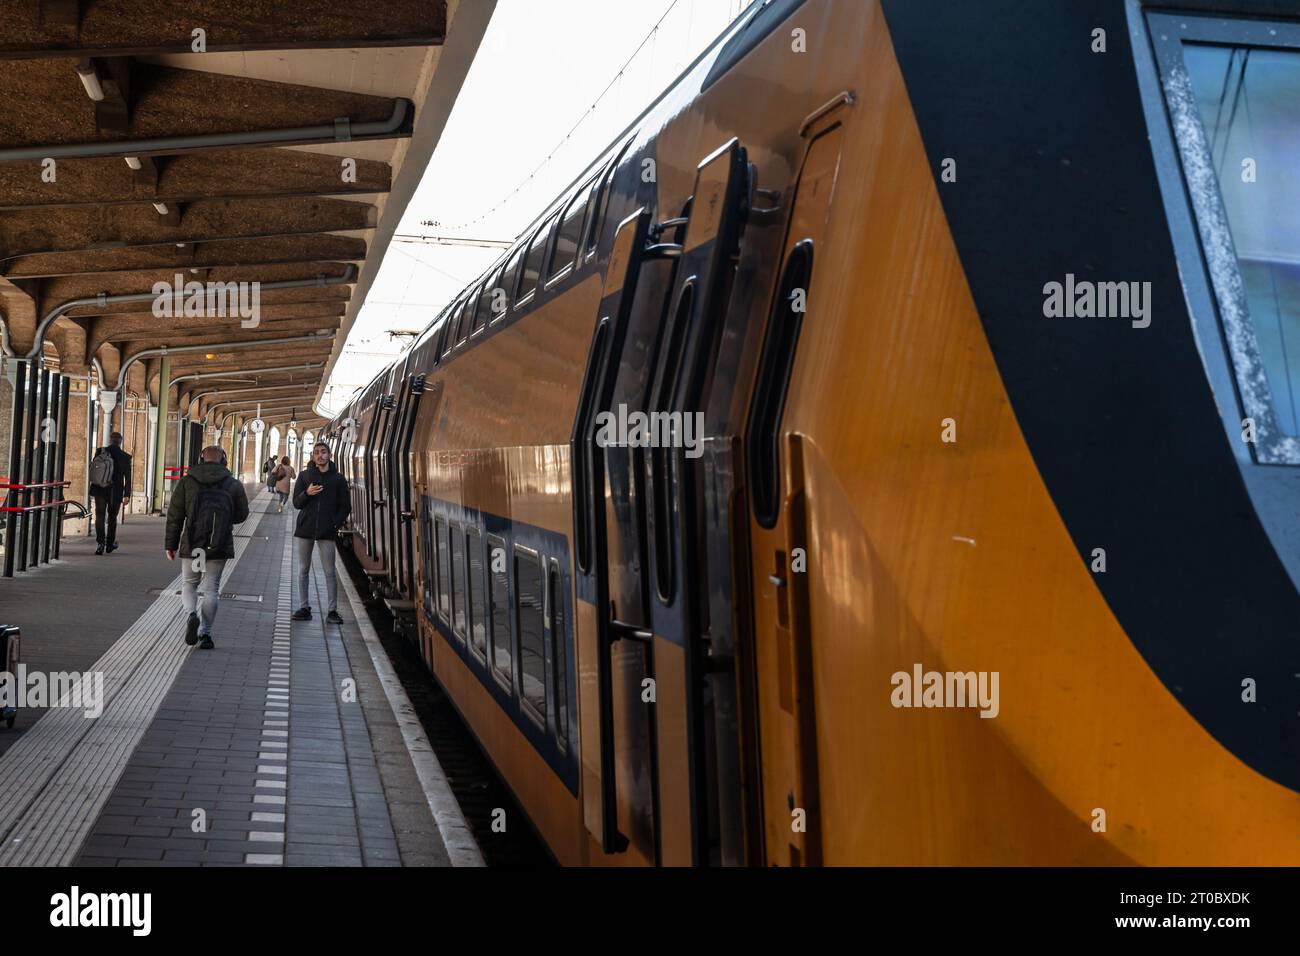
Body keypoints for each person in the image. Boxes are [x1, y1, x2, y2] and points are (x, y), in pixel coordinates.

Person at [165, 445, 250, 650]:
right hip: (218, 543)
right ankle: (206, 633)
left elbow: (175, 516)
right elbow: (242, 515)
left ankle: (191, 613)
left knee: (189, 584)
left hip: (194, 541)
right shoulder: (233, 484)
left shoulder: (187, 481)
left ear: (201, 459)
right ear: (224, 460)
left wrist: (171, 545)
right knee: (212, 589)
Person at [292, 441, 350, 624]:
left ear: (330, 455)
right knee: (303, 569)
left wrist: (334, 524)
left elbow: (345, 506)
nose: (320, 455)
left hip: (327, 532)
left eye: (323, 452)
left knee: (330, 571)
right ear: (313, 456)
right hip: (305, 529)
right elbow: (296, 503)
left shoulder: (338, 479)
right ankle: (304, 607)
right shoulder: (304, 476)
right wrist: (307, 493)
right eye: (316, 452)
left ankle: (332, 611)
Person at [89, 432, 132, 555]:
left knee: (100, 516)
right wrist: (127, 494)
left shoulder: (100, 451)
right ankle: (109, 544)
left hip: (100, 489)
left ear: (110, 440)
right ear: (120, 441)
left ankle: (100, 543)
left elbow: (94, 469)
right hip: (115, 492)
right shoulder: (125, 457)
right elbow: (128, 478)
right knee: (112, 518)